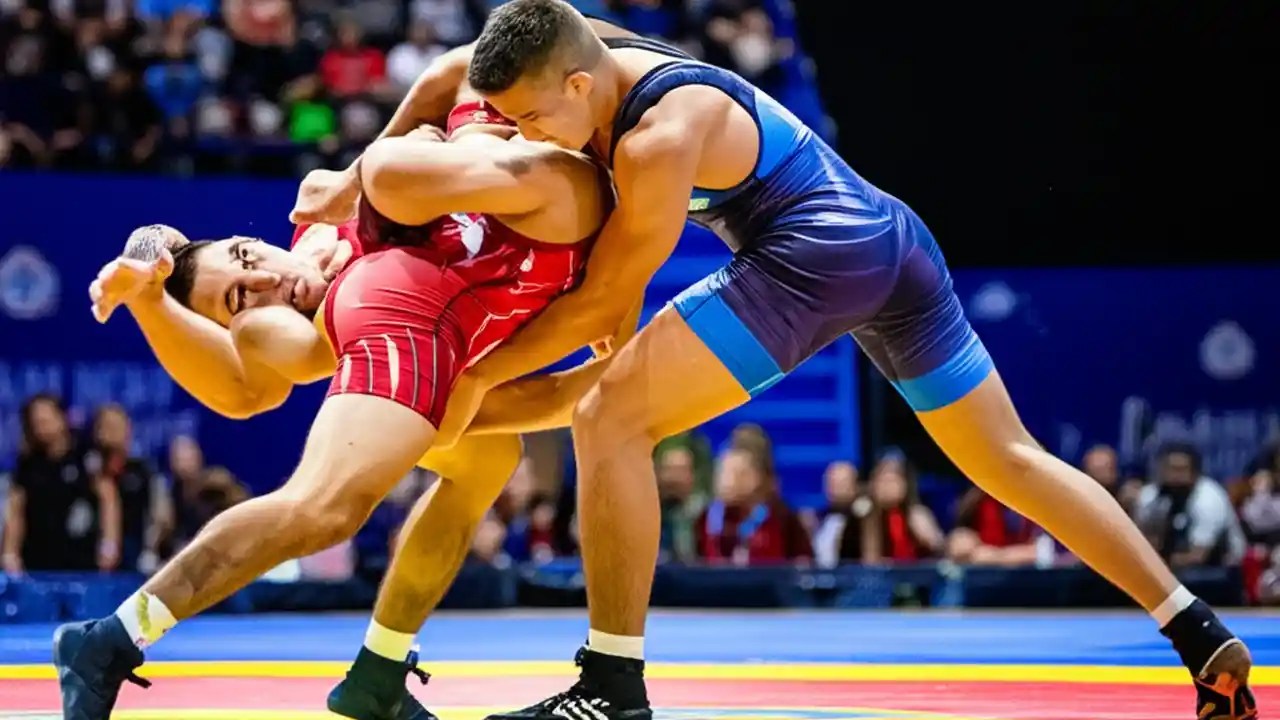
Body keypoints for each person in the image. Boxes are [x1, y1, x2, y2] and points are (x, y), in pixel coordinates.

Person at [293, 3, 1257, 719]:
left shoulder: (658, 138)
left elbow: (602, 307)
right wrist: (354, 173)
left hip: (813, 258)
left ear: (580, 86)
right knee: (1007, 458)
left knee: (607, 419)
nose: (516, 140)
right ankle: (1198, 631)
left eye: (531, 122)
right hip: (893, 236)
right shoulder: (580, 48)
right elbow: (462, 70)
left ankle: (612, 688)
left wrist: (468, 388)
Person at [54, 100, 630, 720]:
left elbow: (167, 239)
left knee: (485, 460)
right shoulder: (283, 323)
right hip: (404, 346)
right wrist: (147, 286)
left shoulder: (322, 202)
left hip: (443, 350)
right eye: (241, 299)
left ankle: (379, 671)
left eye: (250, 262)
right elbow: (243, 390)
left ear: (251, 238)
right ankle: (114, 638)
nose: (269, 284)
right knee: (322, 497)